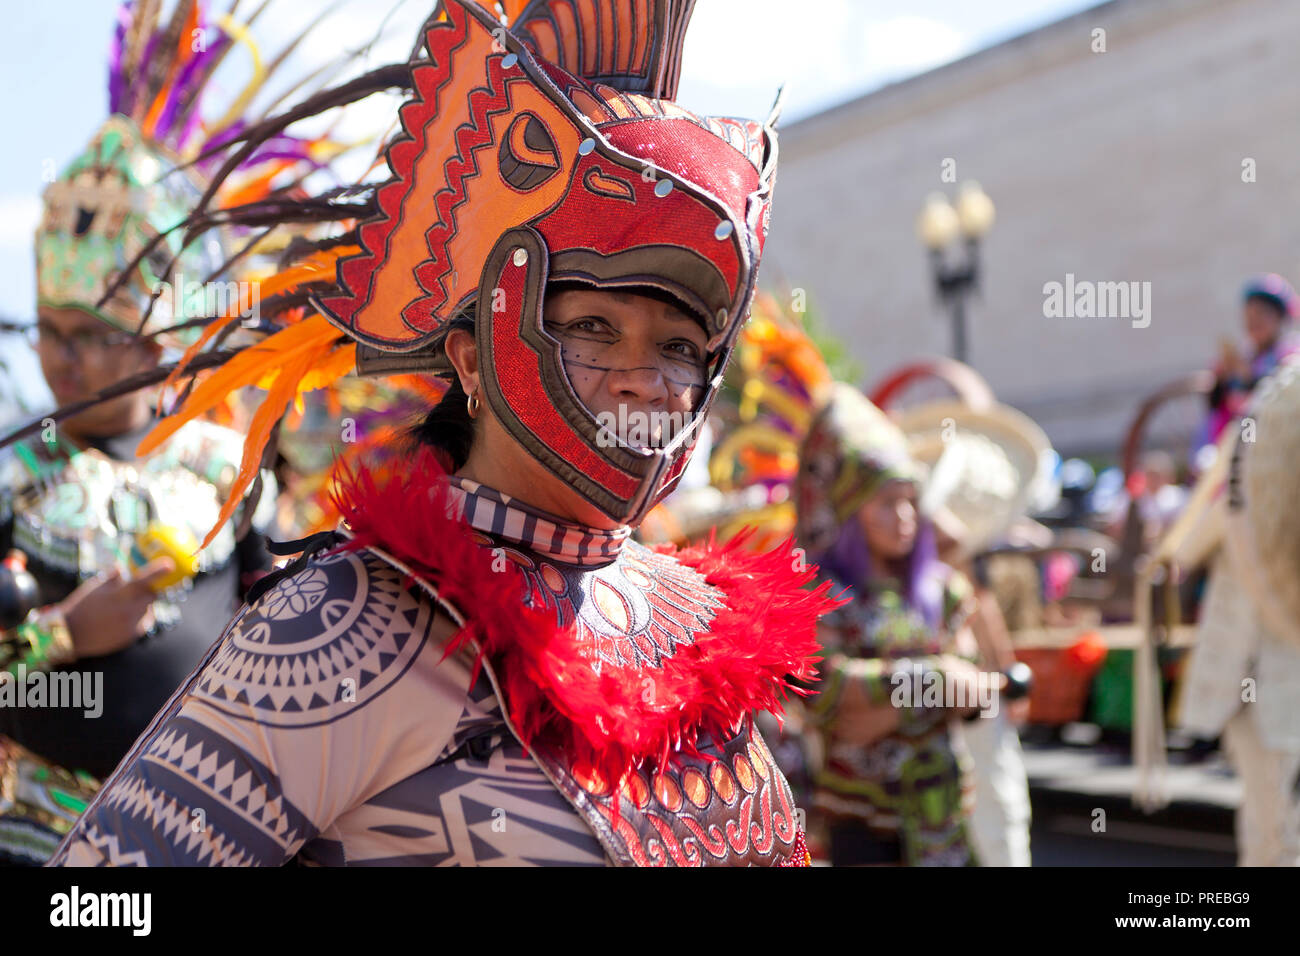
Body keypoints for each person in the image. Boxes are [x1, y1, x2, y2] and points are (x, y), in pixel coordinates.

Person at [49, 0, 831, 867]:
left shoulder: (696, 626)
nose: (644, 379)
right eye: (594, 328)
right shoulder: (349, 626)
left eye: (679, 345)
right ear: (469, 357)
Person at [0, 0, 346, 864]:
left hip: (198, 838)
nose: (65, 358)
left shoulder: (228, 471)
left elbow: (288, 649)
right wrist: (62, 637)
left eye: (93, 333)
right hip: (31, 838)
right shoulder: (11, 472)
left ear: (163, 342)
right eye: (50, 328)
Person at [793, 383, 1001, 866]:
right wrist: (935, 679)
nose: (905, 517)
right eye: (887, 503)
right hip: (859, 821)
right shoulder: (820, 593)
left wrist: (881, 706)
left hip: (939, 814)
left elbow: (974, 690)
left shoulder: (944, 590)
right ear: (850, 511)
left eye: (911, 502)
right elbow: (824, 694)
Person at [1198, 274, 1300, 457]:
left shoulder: (1290, 356)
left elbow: (1279, 400)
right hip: (1241, 440)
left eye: (1262, 314)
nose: (1254, 322)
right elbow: (1218, 406)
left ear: (1279, 318)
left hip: (1277, 443)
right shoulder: (1245, 355)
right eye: (1249, 316)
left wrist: (1247, 379)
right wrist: (1221, 380)